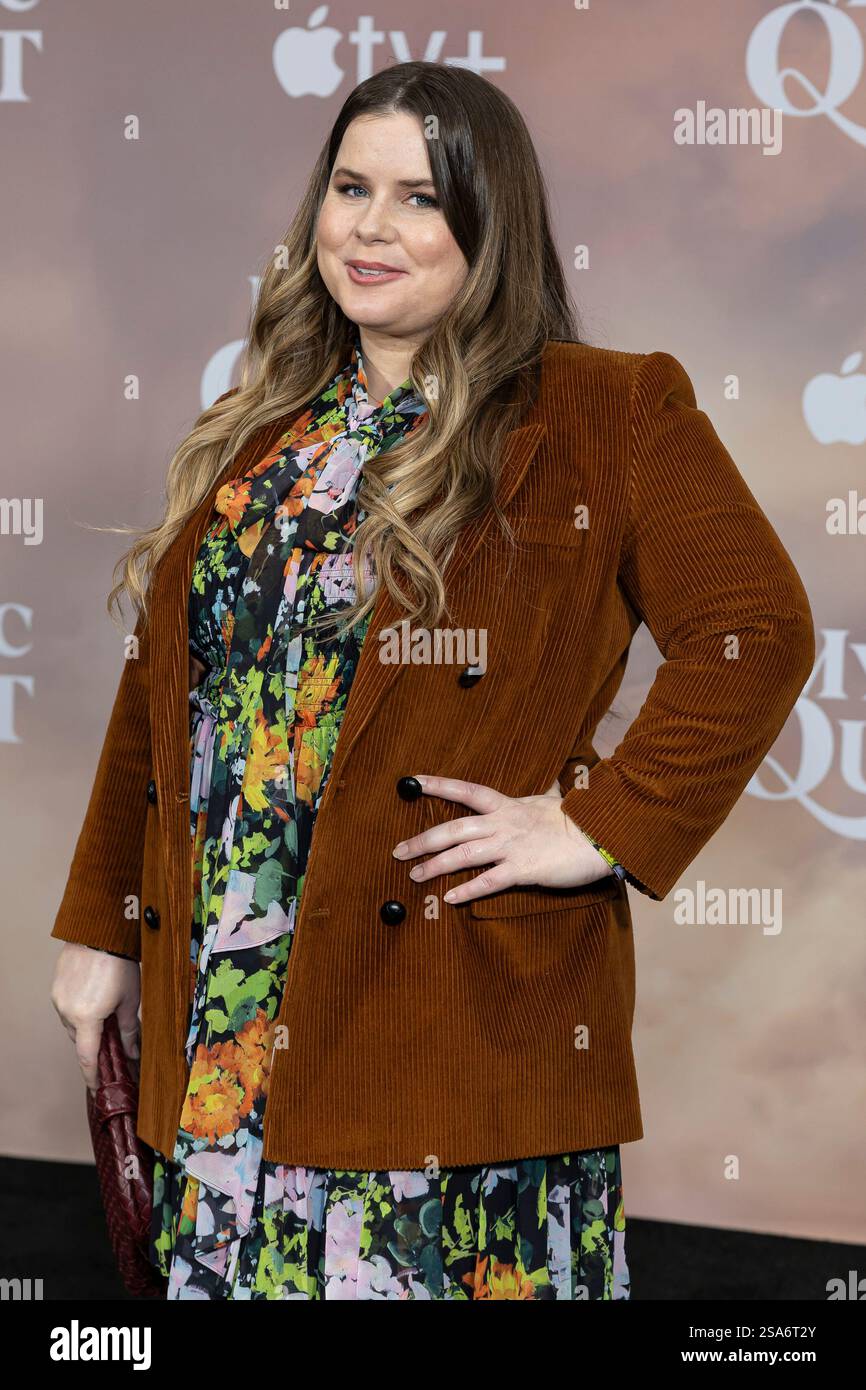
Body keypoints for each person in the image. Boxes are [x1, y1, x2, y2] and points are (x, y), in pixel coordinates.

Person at [49, 60, 815, 1300]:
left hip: (444, 1018)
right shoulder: (268, 428)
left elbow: (756, 630)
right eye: (350, 187)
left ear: (487, 220)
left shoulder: (607, 408)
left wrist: (595, 824)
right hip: (233, 1016)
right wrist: (102, 928)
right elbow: (165, 700)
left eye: (417, 196)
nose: (368, 225)